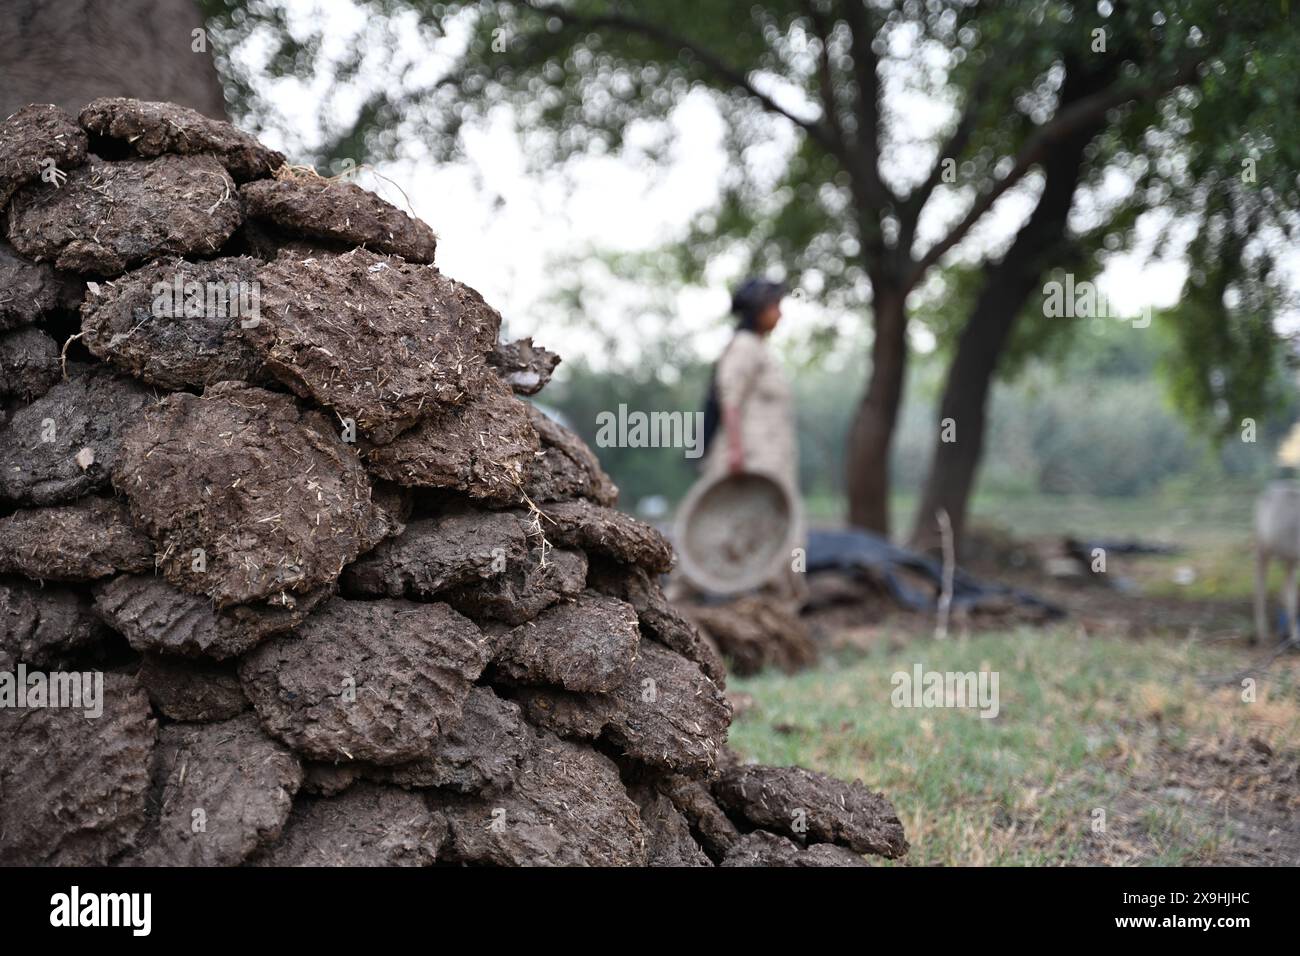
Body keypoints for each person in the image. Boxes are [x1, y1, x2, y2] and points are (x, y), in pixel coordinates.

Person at [697, 277, 806, 602]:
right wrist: (735, 451)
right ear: (758, 311)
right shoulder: (744, 347)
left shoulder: (760, 349)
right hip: (750, 458)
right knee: (741, 528)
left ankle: (779, 607)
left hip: (772, 460)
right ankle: (697, 599)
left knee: (779, 529)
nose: (780, 315)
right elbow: (729, 399)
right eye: (775, 307)